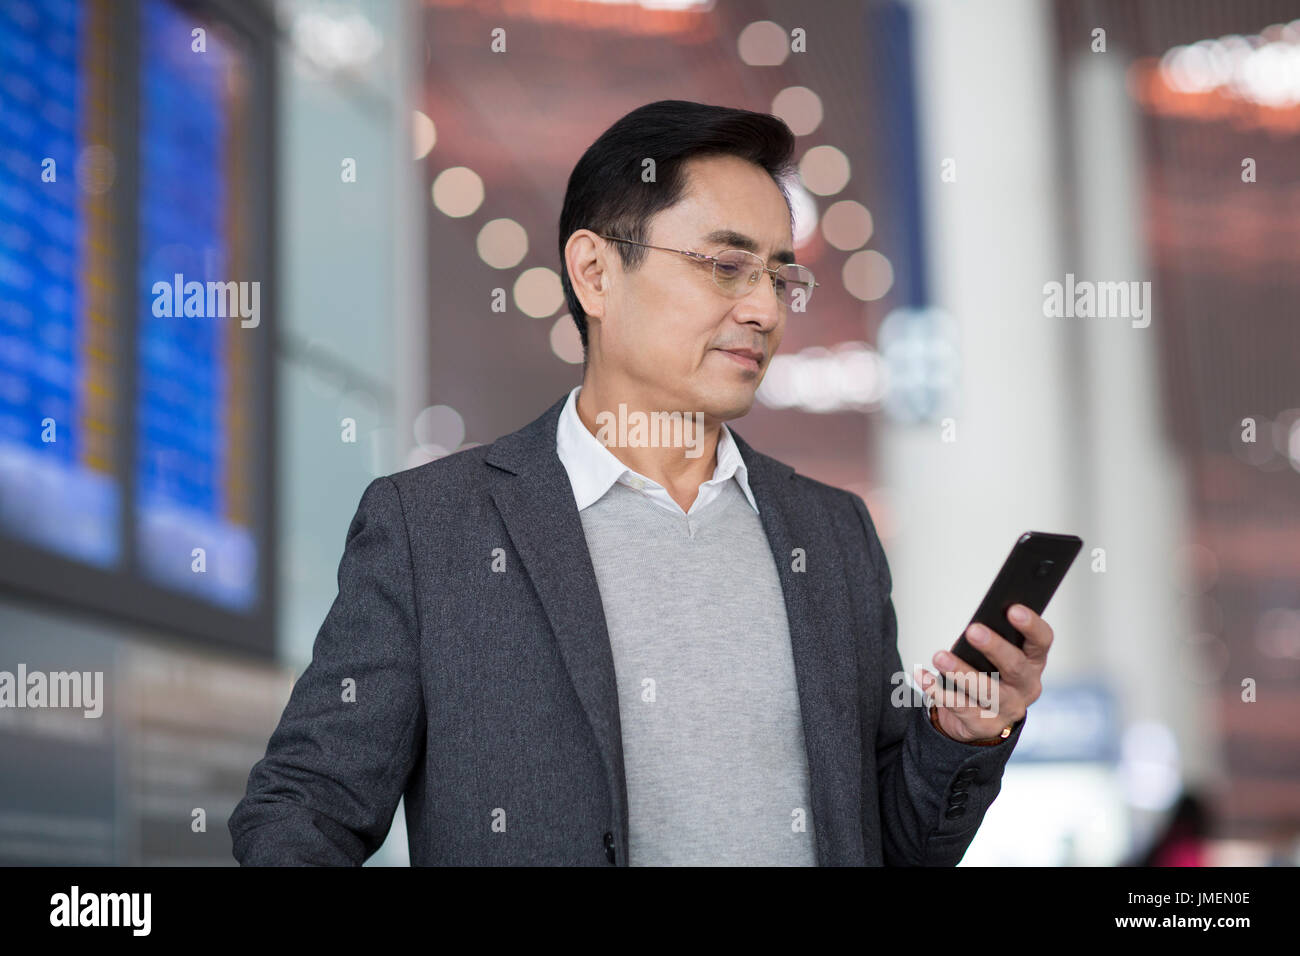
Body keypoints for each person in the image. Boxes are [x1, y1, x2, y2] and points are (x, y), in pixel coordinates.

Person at [229, 99, 1053, 866]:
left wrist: (959, 733)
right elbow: (303, 810)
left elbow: (890, 843)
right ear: (594, 273)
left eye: (781, 275)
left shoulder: (831, 534)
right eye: (727, 266)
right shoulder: (433, 529)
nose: (765, 308)